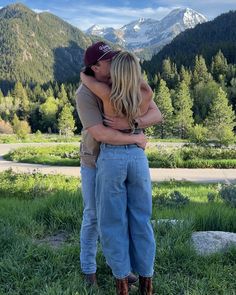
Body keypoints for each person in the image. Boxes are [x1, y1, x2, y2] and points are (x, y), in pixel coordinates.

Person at [75, 42, 162, 291]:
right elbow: (100, 133)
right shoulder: (86, 92)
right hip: (94, 158)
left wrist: (133, 121)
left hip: (114, 159)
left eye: (115, 58)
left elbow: (156, 115)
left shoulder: (114, 87)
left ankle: (123, 273)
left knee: (116, 219)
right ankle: (89, 269)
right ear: (96, 66)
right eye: (108, 59)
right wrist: (135, 136)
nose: (113, 62)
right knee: (94, 215)